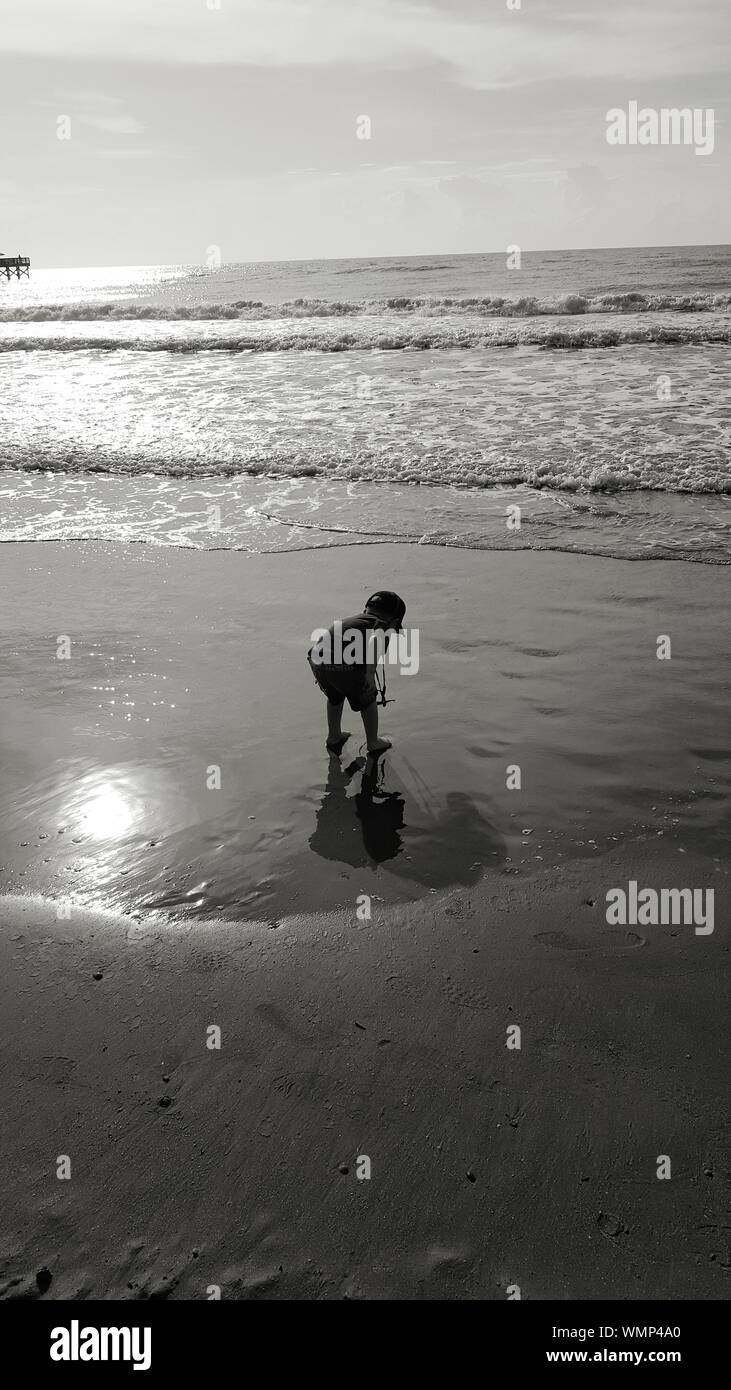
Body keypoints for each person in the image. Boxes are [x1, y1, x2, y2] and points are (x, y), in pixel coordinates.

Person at [307, 590, 406, 754]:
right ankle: (373, 742)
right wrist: (369, 675)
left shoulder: (354, 620)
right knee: (368, 700)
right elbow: (376, 639)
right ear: (394, 621)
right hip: (342, 666)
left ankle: (334, 736)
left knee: (335, 697)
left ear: (366, 609)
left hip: (317, 659)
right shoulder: (382, 625)